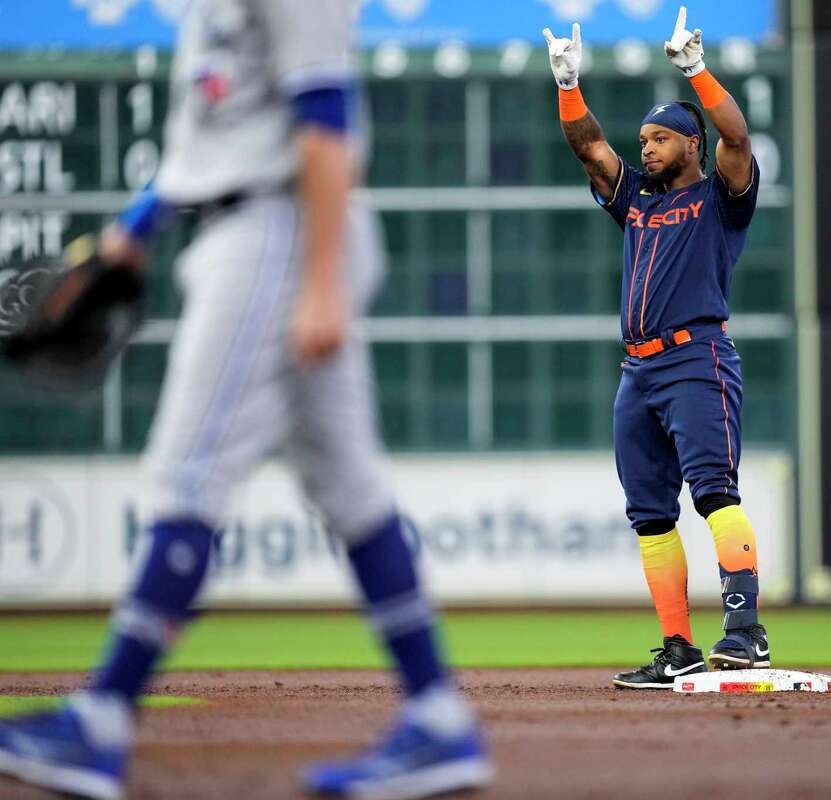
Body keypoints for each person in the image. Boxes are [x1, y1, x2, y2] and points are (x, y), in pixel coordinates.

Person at [0, 2, 491, 797]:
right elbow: (221, 136)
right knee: (349, 486)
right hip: (249, 221)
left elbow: (324, 123)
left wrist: (324, 284)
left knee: (186, 476)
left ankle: (101, 722)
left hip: (280, 228)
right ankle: (439, 719)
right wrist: (135, 229)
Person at [543, 7, 768, 690]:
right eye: (643, 138)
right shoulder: (636, 199)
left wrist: (696, 71)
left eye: (661, 138)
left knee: (714, 493)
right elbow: (588, 147)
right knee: (649, 514)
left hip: (696, 358)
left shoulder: (719, 196)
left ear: (691, 145)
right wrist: (568, 85)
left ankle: (745, 634)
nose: (646, 149)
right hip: (636, 369)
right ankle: (679, 647)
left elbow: (738, 134)